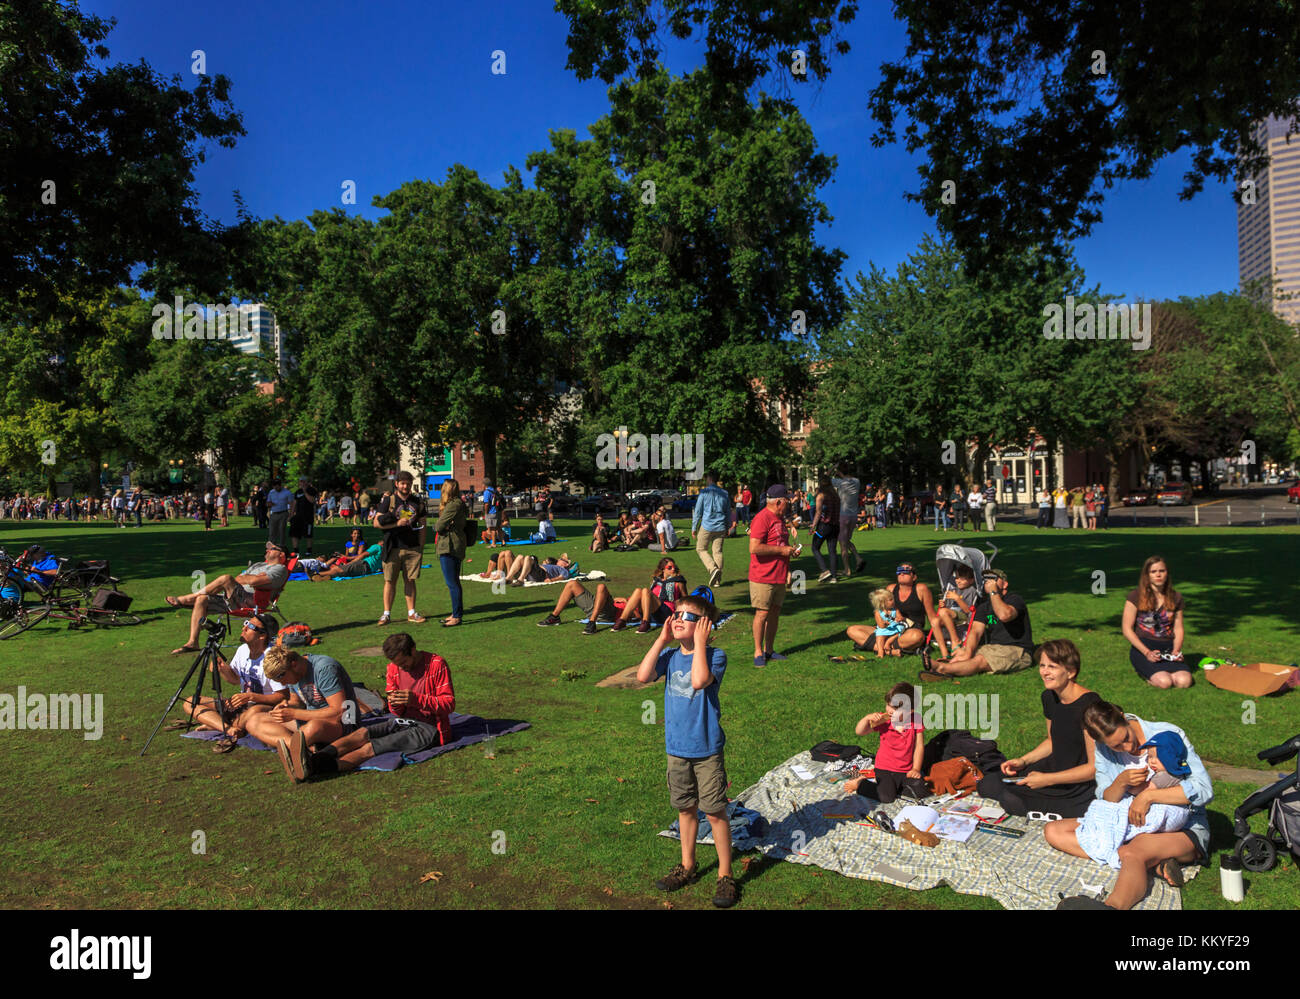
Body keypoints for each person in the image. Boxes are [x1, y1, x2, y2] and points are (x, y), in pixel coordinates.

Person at [1042, 701, 1211, 909]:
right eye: (1117, 746)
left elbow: (1203, 790)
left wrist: (1147, 797)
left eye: (1126, 738)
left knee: (1131, 852)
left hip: (1182, 828)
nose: (1128, 747)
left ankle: (1113, 906)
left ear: (1122, 716)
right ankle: (1155, 865)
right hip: (1127, 824)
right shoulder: (1103, 750)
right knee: (1054, 830)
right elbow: (1107, 799)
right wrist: (1121, 782)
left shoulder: (1167, 734)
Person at [634, 590, 737, 908]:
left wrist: (702, 644)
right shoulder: (670, 657)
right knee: (685, 809)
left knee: (715, 811)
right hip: (676, 749)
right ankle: (688, 866)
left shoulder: (715, 655)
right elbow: (641, 676)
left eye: (687, 616)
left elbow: (698, 680)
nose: (678, 619)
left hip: (705, 749)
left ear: (705, 624)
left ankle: (725, 874)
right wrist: (661, 639)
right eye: (675, 614)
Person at [276, 632, 455, 782]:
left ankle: (316, 767)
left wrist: (416, 700)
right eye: (397, 664)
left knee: (370, 747)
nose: (401, 668)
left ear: (413, 650)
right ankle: (310, 760)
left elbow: (449, 704)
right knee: (361, 734)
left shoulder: (436, 664)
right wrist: (396, 704)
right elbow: (396, 712)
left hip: (431, 729)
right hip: (404, 720)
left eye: (403, 663)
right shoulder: (394, 669)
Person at [975, 639, 1100, 817]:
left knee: (1011, 799)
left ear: (1071, 672)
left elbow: (1094, 768)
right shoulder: (1049, 696)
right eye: (1042, 665)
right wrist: (1024, 761)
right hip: (1054, 766)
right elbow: (1052, 741)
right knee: (987, 784)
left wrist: (1047, 780)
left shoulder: (1090, 707)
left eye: (1052, 666)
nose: (1045, 672)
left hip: (1076, 783)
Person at [1073, 731, 1193, 870]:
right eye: (1150, 757)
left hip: (1167, 813)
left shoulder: (1165, 776)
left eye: (1157, 757)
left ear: (1169, 757)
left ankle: (1112, 841)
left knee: (1118, 811)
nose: (1151, 761)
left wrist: (1129, 784)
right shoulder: (1176, 773)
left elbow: (1145, 790)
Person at [177, 613, 285, 751]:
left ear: (262, 636)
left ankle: (220, 724)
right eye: (246, 622)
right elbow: (235, 679)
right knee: (190, 702)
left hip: (263, 707)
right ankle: (229, 728)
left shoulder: (272, 657)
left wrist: (251, 697)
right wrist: (222, 669)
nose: (244, 627)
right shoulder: (242, 650)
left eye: (250, 626)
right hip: (240, 704)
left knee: (254, 711)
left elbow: (283, 696)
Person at [165, 542, 288, 655]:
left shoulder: (280, 569)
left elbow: (253, 580)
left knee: (226, 579)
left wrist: (251, 579)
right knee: (202, 599)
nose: (267, 550)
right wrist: (250, 579)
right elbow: (239, 578)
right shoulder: (258, 565)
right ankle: (193, 642)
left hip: (253, 601)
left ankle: (186, 600)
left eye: (271, 548)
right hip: (236, 597)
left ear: (281, 554)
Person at [251, 647, 360, 761]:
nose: (283, 683)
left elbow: (339, 711)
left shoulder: (324, 669)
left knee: (314, 727)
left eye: (282, 677)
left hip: (345, 723)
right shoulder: (294, 674)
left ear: (293, 664)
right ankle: (298, 747)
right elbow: (296, 702)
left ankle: (296, 748)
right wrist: (287, 706)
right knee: (254, 720)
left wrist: (294, 714)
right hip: (309, 721)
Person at [925, 567, 1033, 678]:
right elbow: (976, 631)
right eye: (986, 578)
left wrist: (993, 592)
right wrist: (967, 652)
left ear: (1005, 584)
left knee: (980, 660)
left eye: (993, 578)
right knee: (962, 653)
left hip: (1017, 650)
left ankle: (941, 668)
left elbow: (1004, 615)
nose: (988, 581)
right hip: (992, 647)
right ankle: (943, 668)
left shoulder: (1014, 599)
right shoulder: (984, 606)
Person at [840, 682, 928, 803]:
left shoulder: (916, 720)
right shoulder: (883, 720)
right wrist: (867, 719)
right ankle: (861, 783)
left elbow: (919, 746)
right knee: (886, 797)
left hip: (905, 770)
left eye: (896, 708)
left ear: (911, 711)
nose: (890, 711)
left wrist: (916, 769)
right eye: (888, 705)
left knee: (921, 791)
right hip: (884, 768)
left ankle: (893, 787)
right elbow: (860, 732)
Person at [1121, 555, 1198, 689]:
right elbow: (1127, 629)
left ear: (1167, 573)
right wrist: (1147, 653)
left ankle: (1163, 668)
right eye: (1153, 572)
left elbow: (1178, 628)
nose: (1158, 575)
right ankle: (1145, 671)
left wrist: (1176, 650)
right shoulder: (1135, 596)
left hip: (1168, 648)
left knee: (1184, 681)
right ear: (1147, 575)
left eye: (1162, 571)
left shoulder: (1176, 597)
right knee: (1165, 682)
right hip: (1144, 648)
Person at [846, 562, 946, 659]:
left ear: (914, 577)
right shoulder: (891, 588)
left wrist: (942, 631)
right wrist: (881, 622)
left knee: (917, 636)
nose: (902, 573)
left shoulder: (921, 589)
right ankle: (891, 651)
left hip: (910, 629)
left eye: (906, 571)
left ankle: (875, 647)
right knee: (852, 630)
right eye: (899, 571)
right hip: (889, 628)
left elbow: (932, 617)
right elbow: (880, 609)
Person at [748, 484, 797, 667]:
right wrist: (782, 550)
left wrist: (788, 563)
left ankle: (769, 649)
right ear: (778, 502)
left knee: (775, 613)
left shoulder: (779, 519)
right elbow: (754, 548)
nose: (789, 503)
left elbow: (781, 547)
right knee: (762, 613)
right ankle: (758, 651)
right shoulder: (762, 518)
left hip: (779, 574)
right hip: (762, 575)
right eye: (787, 500)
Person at [374, 471, 427, 627]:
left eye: (408, 483)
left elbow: (423, 524)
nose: (405, 486)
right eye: (402, 483)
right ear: (396, 484)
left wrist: (421, 546)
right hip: (393, 546)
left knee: (410, 580)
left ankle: (411, 613)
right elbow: (376, 523)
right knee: (390, 581)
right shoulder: (389, 500)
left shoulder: (417, 502)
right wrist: (396, 524)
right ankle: (386, 614)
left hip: (412, 547)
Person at [609, 557, 688, 634]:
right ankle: (622, 620)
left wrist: (679, 614)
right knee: (638, 590)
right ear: (663, 569)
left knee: (646, 591)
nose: (673, 569)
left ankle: (646, 622)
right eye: (669, 567)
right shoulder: (656, 580)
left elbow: (685, 600)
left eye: (674, 567)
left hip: (667, 613)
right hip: (651, 611)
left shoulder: (678, 581)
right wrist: (625, 600)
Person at [433, 477, 467, 628]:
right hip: (451, 544)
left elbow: (438, 526)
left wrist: (440, 526)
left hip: (450, 546)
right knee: (453, 582)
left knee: (452, 583)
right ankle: (455, 613)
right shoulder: (456, 503)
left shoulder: (454, 504)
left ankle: (457, 616)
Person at [690, 471, 733, 588]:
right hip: (721, 526)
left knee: (700, 549)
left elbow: (698, 512)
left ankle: (712, 569)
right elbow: (728, 511)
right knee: (717, 552)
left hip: (707, 525)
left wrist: (694, 527)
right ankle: (717, 581)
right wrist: (729, 525)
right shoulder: (724, 493)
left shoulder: (704, 492)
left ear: (709, 479)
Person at [934, 563, 978, 653]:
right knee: (934, 621)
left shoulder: (971, 590)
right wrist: (943, 605)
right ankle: (944, 652)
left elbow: (968, 611)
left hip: (964, 616)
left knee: (943, 612)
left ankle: (955, 640)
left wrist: (957, 598)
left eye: (962, 579)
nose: (958, 581)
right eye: (957, 578)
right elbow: (949, 607)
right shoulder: (955, 589)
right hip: (951, 614)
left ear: (971, 580)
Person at [831, 464, 863, 577]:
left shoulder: (839, 482)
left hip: (843, 515)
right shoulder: (857, 481)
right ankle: (858, 558)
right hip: (853, 516)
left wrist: (832, 469)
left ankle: (847, 570)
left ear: (840, 472)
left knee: (843, 544)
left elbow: (823, 479)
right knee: (846, 540)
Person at [810, 474, 840, 583]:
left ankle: (824, 570)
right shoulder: (836, 496)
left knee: (815, 547)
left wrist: (813, 525)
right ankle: (834, 577)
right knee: (832, 550)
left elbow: (818, 512)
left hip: (823, 527)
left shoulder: (821, 496)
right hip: (835, 526)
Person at [869, 588, 907, 657]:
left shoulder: (895, 609)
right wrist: (885, 623)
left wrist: (899, 619)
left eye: (893, 598)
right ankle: (880, 652)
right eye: (890, 599)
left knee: (901, 630)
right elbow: (880, 625)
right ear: (882, 603)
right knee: (879, 635)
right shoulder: (878, 612)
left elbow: (900, 617)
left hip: (895, 626)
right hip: (885, 628)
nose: (893, 601)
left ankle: (888, 642)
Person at [289, 477, 319, 555]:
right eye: (300, 481)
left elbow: (312, 500)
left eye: (303, 481)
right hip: (298, 516)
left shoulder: (312, 490)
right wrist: (291, 515)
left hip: (308, 516)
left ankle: (308, 550)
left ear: (306, 482)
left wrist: (305, 491)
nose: (301, 483)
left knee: (308, 535)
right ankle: (296, 551)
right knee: (294, 533)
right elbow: (294, 503)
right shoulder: (297, 492)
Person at [266, 479, 293, 548]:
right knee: (272, 531)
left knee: (281, 530)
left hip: (283, 513)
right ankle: (271, 547)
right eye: (274, 486)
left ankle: (282, 546)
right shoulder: (271, 492)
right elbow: (268, 502)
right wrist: (269, 506)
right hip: (274, 513)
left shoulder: (287, 492)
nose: (275, 488)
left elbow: (291, 504)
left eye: (277, 486)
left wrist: (290, 514)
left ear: (280, 485)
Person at [482, 479, 503, 546]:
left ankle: (493, 543)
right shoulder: (494, 490)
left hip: (491, 511)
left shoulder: (487, 492)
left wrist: (486, 512)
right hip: (497, 511)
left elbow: (486, 504)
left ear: (484, 485)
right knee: (498, 527)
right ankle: (503, 542)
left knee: (492, 528)